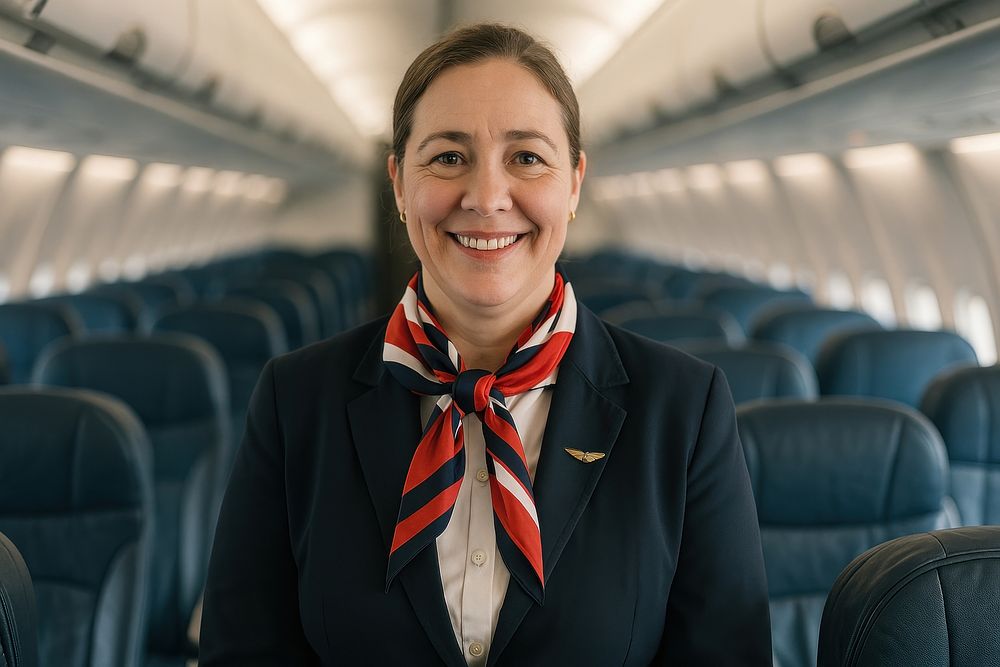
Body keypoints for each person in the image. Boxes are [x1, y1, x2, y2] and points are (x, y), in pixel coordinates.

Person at [199, 23, 771, 666]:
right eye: (448, 157)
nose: (486, 197)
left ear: (575, 182)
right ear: (398, 183)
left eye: (526, 157)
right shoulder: (295, 400)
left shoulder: (683, 409)